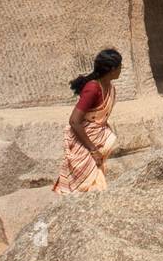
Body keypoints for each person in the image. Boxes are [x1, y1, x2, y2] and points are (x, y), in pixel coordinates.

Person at [52, 48, 122, 194]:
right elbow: (74, 121)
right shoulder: (93, 88)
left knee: (95, 183)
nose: (121, 69)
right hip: (85, 142)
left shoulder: (109, 87)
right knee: (85, 186)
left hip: (96, 140)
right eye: (120, 66)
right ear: (113, 69)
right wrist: (93, 150)